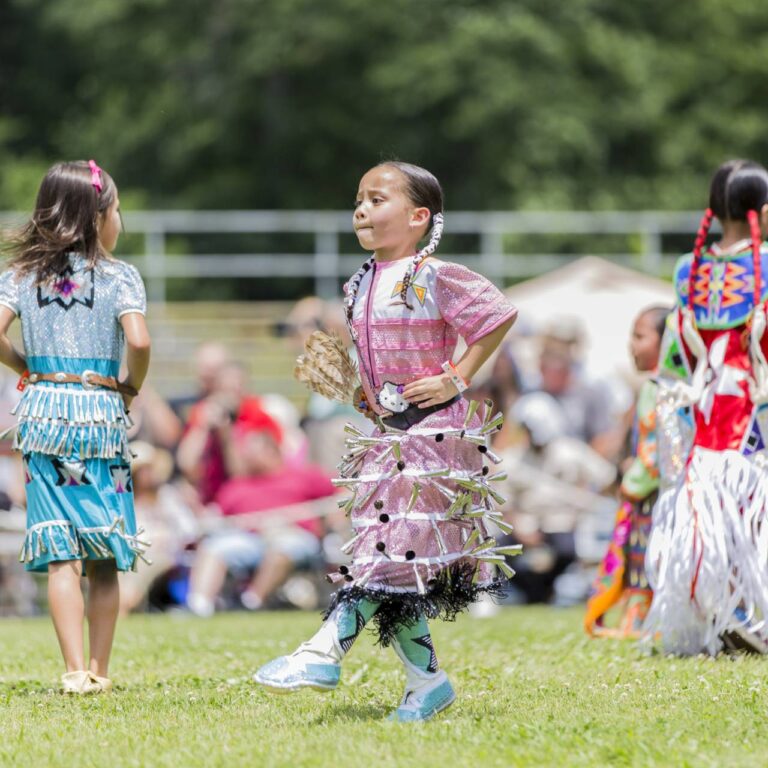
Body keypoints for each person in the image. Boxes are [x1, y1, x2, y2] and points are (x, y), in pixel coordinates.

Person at [254, 161, 518, 721]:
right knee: (394, 558)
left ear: (419, 217)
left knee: (391, 551)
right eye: (359, 199)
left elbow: (497, 314)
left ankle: (324, 650)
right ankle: (428, 682)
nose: (362, 209)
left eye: (378, 199)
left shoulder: (434, 275)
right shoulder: (357, 284)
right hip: (385, 434)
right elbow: (370, 360)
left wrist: (457, 375)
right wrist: (358, 391)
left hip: (434, 434)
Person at [0, 160, 151, 692]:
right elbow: (139, 341)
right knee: (104, 553)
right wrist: (129, 386)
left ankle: (71, 671)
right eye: (116, 209)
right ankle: (101, 672)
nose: (120, 220)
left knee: (61, 554)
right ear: (98, 216)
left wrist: (26, 369)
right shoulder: (120, 276)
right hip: (100, 417)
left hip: (42, 418)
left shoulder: (21, 275)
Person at [644, 160, 768, 655]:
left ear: (713, 209)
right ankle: (742, 614)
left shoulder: (687, 269)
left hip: (700, 411)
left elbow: (677, 351)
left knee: (710, 517)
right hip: (752, 409)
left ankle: (727, 612)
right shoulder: (765, 264)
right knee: (750, 516)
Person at [186, 429, 334, 617]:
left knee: (284, 546)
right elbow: (217, 519)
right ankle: (199, 606)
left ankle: (251, 602)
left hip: (293, 535)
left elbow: (342, 493)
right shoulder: (236, 486)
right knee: (214, 547)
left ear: (271, 451)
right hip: (250, 540)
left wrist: (329, 519)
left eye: (251, 452)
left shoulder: (304, 476)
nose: (245, 457)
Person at [584, 306, 668, 638]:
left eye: (640, 336)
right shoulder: (658, 386)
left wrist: (633, 480)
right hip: (655, 491)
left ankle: (645, 621)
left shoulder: (662, 388)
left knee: (646, 556)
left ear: (668, 340)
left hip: (654, 493)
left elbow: (656, 451)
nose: (631, 345)